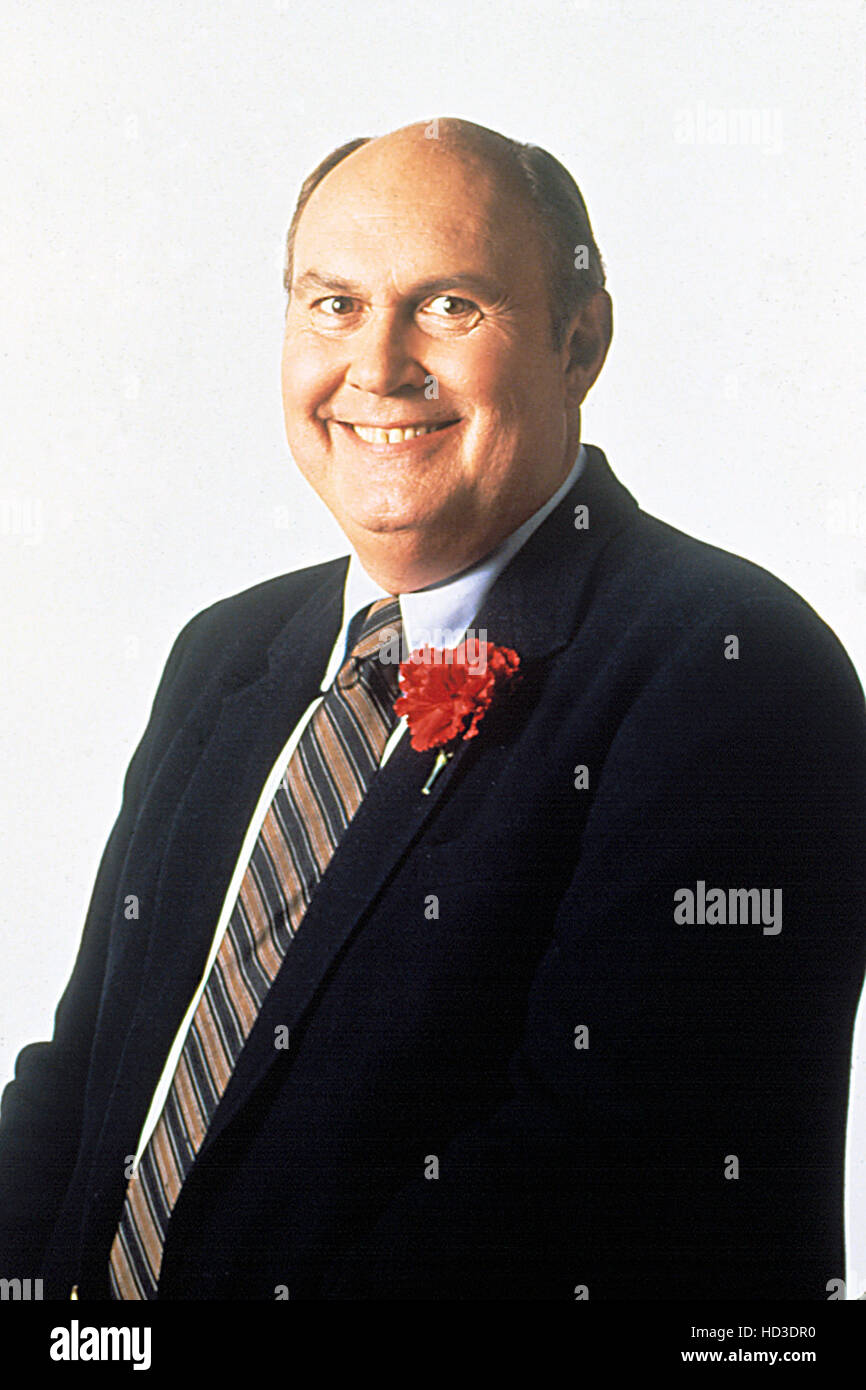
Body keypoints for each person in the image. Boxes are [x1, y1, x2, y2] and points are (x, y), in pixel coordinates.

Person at [1, 118, 864, 1301]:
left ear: (579, 341)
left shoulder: (731, 670)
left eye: (450, 306)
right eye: (333, 305)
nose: (376, 366)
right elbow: (83, 1082)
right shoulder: (228, 652)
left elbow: (604, 1194)